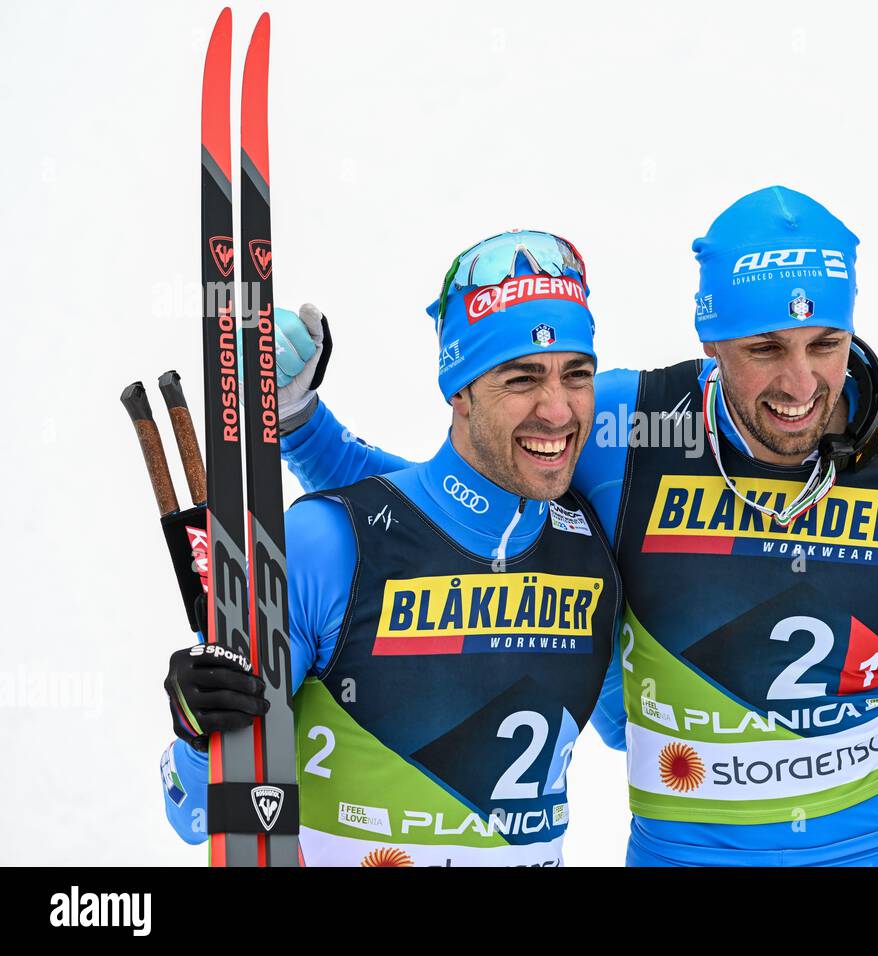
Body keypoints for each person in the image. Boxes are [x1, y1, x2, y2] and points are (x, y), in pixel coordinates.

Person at [270, 187, 878, 866]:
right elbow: (440, 508)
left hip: (876, 850)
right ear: (711, 342)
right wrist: (305, 427)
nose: (801, 385)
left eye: (826, 344)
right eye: (764, 349)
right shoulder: (624, 430)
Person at [159, 230, 622, 866]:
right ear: (459, 390)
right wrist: (194, 728)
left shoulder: (591, 553)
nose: (558, 409)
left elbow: (630, 732)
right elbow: (192, 810)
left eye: (578, 374)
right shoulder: (325, 544)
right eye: (521, 378)